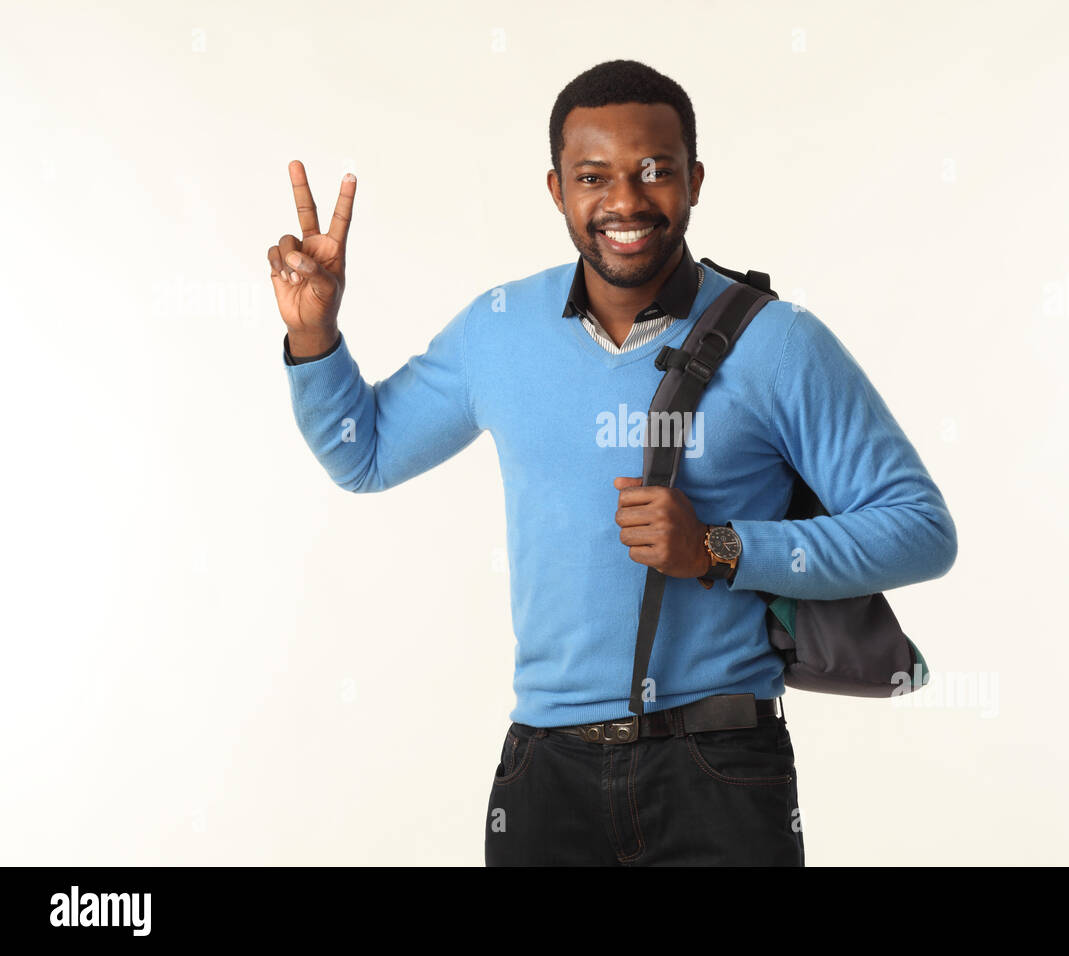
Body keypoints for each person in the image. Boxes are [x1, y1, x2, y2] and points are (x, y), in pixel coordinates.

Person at [267, 59, 957, 866]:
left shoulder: (780, 342)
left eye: (655, 171)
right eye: (593, 176)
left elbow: (920, 530)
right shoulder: (498, 330)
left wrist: (722, 548)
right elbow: (366, 456)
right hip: (543, 769)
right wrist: (314, 334)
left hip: (721, 766)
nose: (626, 201)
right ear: (557, 190)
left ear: (695, 181)